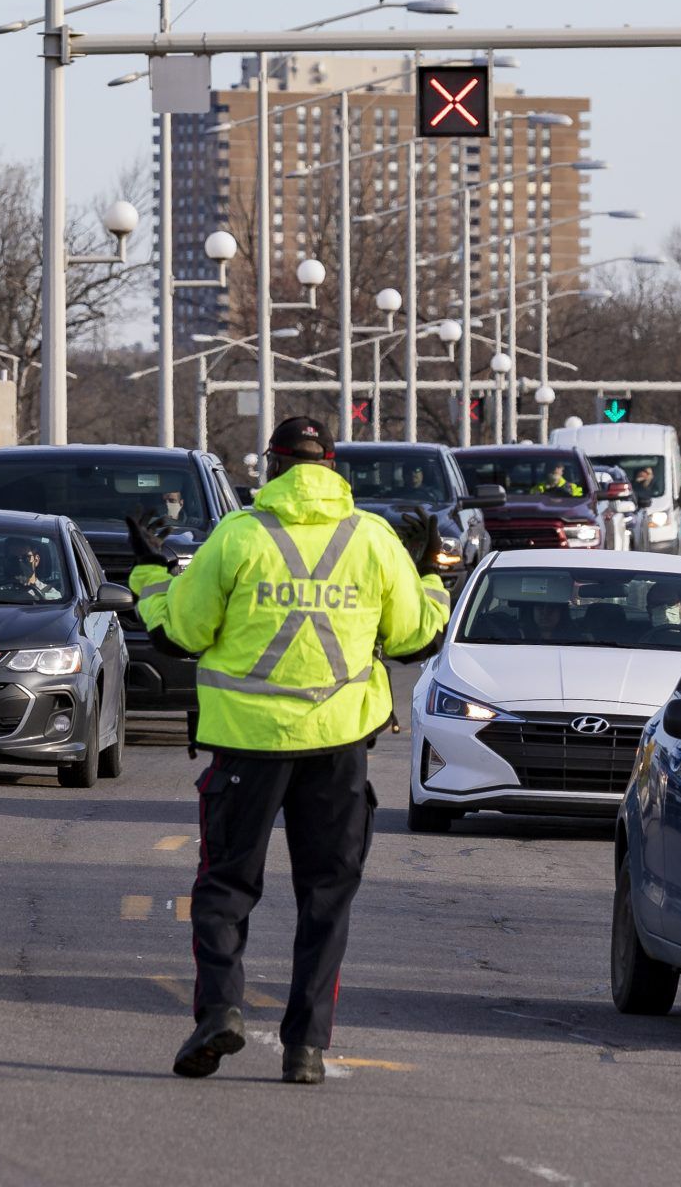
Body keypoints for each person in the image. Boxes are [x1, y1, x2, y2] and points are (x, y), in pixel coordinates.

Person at [127, 415, 450, 1086]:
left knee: (225, 887)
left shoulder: (238, 535)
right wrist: (429, 574)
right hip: (338, 748)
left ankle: (220, 1012)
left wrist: (150, 575)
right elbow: (416, 639)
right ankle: (306, 1048)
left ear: (272, 467)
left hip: (246, 746)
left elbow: (182, 633)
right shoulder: (371, 538)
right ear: (332, 467)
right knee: (326, 897)